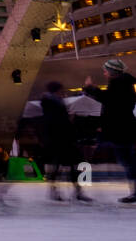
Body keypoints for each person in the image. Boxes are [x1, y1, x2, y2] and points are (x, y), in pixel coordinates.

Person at [84, 59, 136, 202]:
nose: (104, 73)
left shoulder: (120, 83)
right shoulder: (123, 83)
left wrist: (91, 89)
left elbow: (110, 101)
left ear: (113, 71)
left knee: (127, 161)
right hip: (122, 128)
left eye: (106, 71)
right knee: (127, 161)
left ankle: (135, 193)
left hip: (122, 130)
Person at [40, 81, 89, 202]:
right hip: (60, 140)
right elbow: (56, 123)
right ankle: (75, 192)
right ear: (57, 90)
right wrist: (69, 120)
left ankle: (71, 191)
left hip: (63, 140)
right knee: (64, 167)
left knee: (65, 167)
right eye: (61, 90)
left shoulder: (54, 102)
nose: (63, 92)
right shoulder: (52, 103)